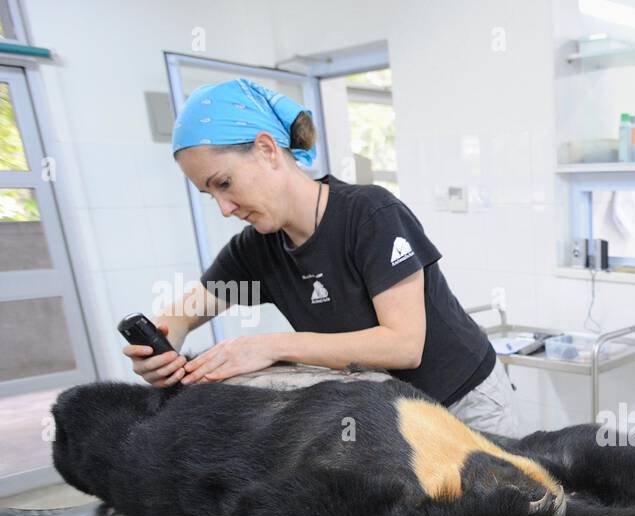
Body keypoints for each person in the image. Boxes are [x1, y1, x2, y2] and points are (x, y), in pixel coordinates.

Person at [123, 78, 518, 437]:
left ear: (266, 150)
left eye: (224, 184)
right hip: (398, 418)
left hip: (466, 402)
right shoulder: (257, 249)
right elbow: (187, 311)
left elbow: (403, 345)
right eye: (211, 196)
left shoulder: (370, 215)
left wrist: (270, 346)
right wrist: (161, 346)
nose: (225, 208)